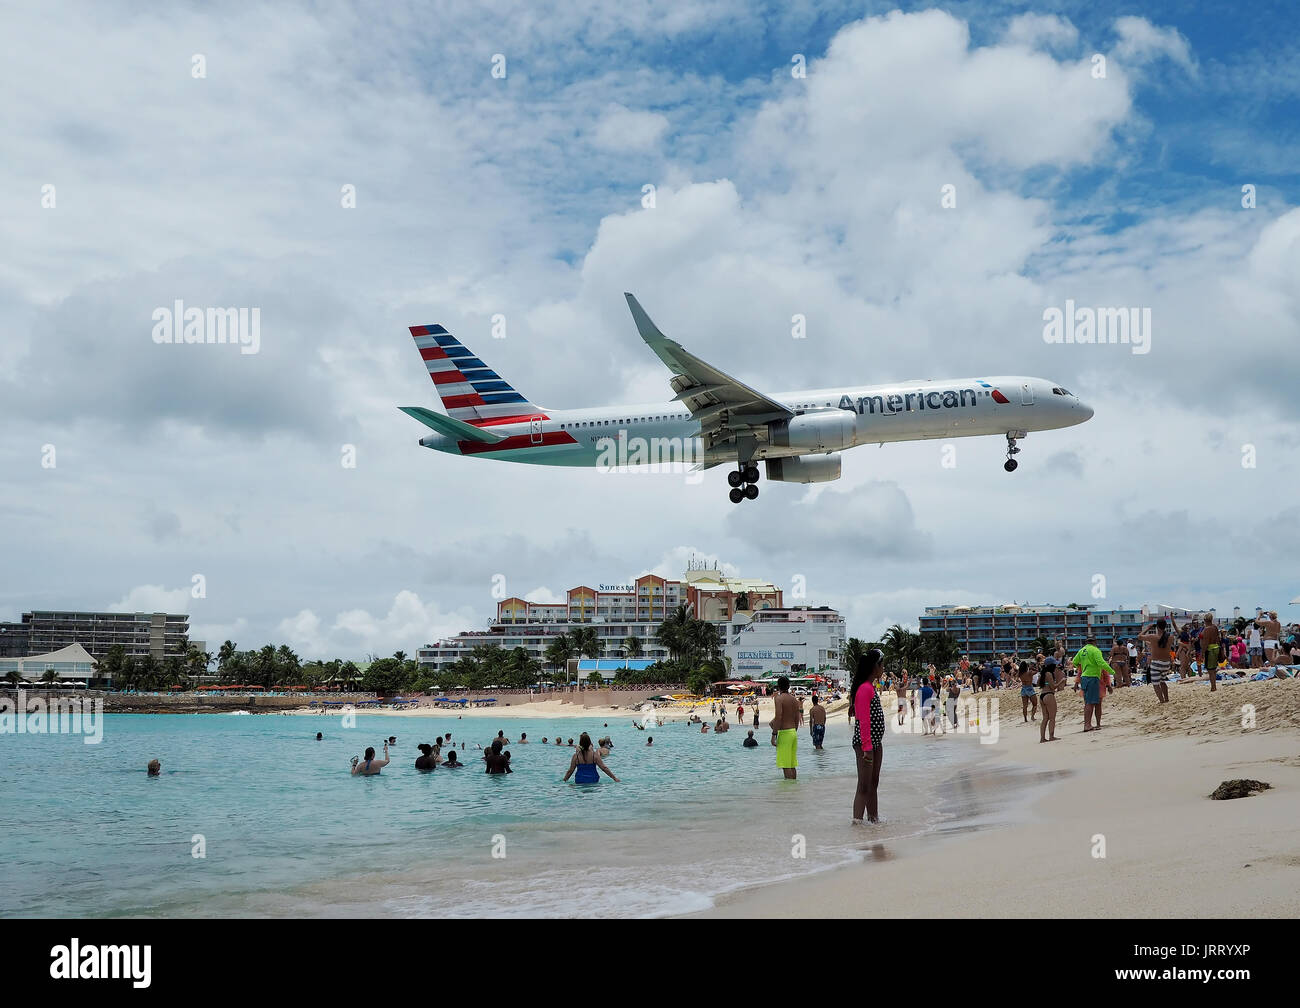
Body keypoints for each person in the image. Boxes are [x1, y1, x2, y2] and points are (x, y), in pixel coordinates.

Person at [850, 648, 885, 824]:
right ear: (875, 667)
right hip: (866, 745)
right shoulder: (864, 688)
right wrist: (867, 748)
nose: (883, 669)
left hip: (875, 743)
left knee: (873, 783)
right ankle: (856, 823)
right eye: (882, 665)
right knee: (864, 785)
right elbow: (863, 721)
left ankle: (873, 820)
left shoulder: (870, 687)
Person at [1071, 638, 1113, 732]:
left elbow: (1075, 663)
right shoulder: (1095, 650)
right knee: (1095, 704)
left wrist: (1084, 665)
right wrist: (1112, 672)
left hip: (1085, 678)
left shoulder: (1081, 651)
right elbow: (1102, 665)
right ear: (1094, 642)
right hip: (1094, 679)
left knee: (1088, 703)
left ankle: (1090, 724)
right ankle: (1089, 725)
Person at [770, 675, 802, 779]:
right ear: (788, 686)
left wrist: (774, 734)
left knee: (785, 765)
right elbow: (797, 717)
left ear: (778, 686)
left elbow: (779, 716)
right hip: (793, 732)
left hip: (784, 733)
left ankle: (789, 793)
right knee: (792, 765)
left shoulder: (779, 699)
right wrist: (794, 730)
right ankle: (794, 789)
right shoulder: (794, 700)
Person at [1139, 617, 1174, 704]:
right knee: (1162, 681)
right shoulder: (1171, 637)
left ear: (1157, 627)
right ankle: (1166, 699)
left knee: (1155, 683)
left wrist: (1148, 628)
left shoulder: (1152, 637)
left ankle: (1161, 701)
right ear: (1165, 626)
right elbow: (1161, 644)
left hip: (1156, 663)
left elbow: (1139, 636)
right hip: (1166, 664)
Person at [1038, 656, 1063, 742]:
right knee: (1052, 717)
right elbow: (1053, 687)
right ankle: (1051, 736)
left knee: (1045, 718)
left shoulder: (1043, 673)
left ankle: (1042, 738)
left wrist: (1047, 682)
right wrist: (1061, 681)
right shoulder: (1049, 673)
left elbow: (1039, 683)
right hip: (1049, 695)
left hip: (1042, 695)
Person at [1202, 613, 1222, 692]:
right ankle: (1214, 686)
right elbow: (1218, 639)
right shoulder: (1215, 627)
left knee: (1210, 670)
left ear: (1205, 620)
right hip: (1216, 647)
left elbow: (1205, 643)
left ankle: (1213, 687)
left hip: (1210, 649)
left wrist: (1202, 653)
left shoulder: (1207, 629)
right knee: (1213, 669)